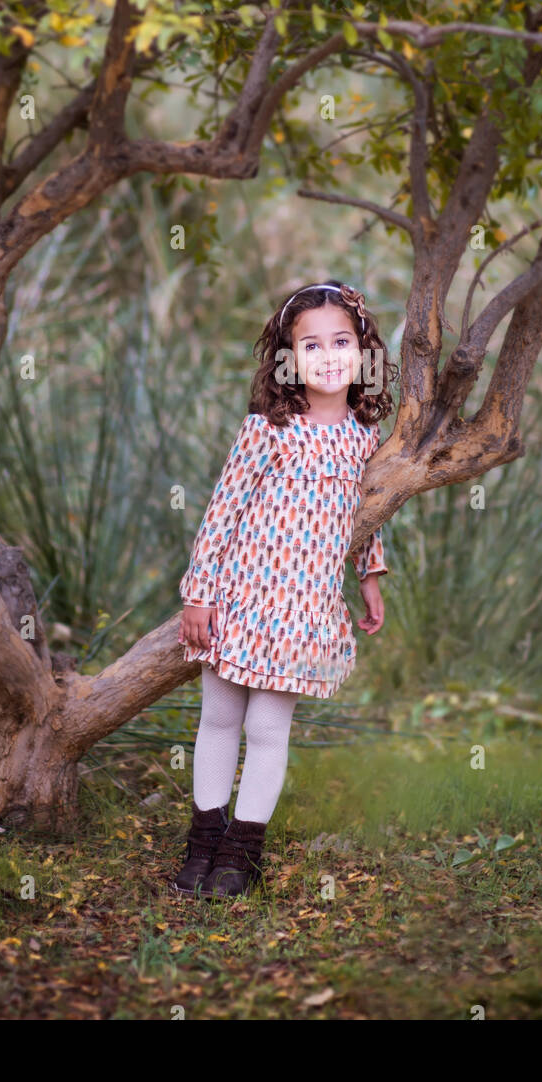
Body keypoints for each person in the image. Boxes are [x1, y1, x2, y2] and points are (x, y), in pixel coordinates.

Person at [173, 279, 398, 900]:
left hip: (306, 612)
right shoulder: (268, 429)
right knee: (218, 718)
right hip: (240, 599)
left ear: (363, 351)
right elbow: (221, 513)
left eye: (342, 341)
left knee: (269, 731)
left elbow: (365, 517)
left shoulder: (365, 437)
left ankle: (242, 852)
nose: (329, 356)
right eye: (312, 344)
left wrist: (370, 575)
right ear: (287, 359)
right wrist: (199, 594)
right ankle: (203, 839)